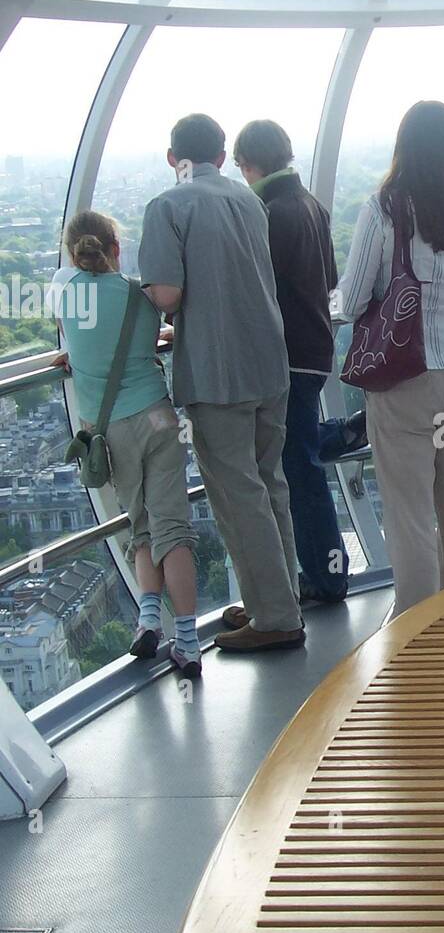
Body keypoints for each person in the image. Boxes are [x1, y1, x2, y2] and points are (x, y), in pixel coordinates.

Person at [336, 101, 444, 617]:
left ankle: (418, 629)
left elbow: (349, 303)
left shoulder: (382, 210)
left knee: (409, 511)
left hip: (402, 381)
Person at [139, 113, 304, 653]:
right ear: (220, 153)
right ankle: (276, 598)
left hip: (217, 372)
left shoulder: (168, 207)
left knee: (238, 497)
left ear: (174, 158)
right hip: (269, 362)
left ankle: (276, 615)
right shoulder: (246, 198)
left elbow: (165, 294)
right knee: (269, 484)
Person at [53, 211, 201, 677]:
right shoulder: (139, 298)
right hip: (158, 415)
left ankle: (148, 619)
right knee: (172, 529)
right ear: (117, 248)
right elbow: (148, 335)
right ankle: (191, 643)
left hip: (111, 427)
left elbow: (81, 343)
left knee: (140, 527)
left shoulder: (64, 294)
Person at [233, 118, 363, 604]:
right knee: (301, 451)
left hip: (284, 354)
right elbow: (330, 276)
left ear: (249, 163)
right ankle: (343, 431)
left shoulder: (264, 211)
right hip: (316, 347)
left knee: (297, 467)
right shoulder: (311, 205)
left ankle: (328, 577)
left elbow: (252, 289)